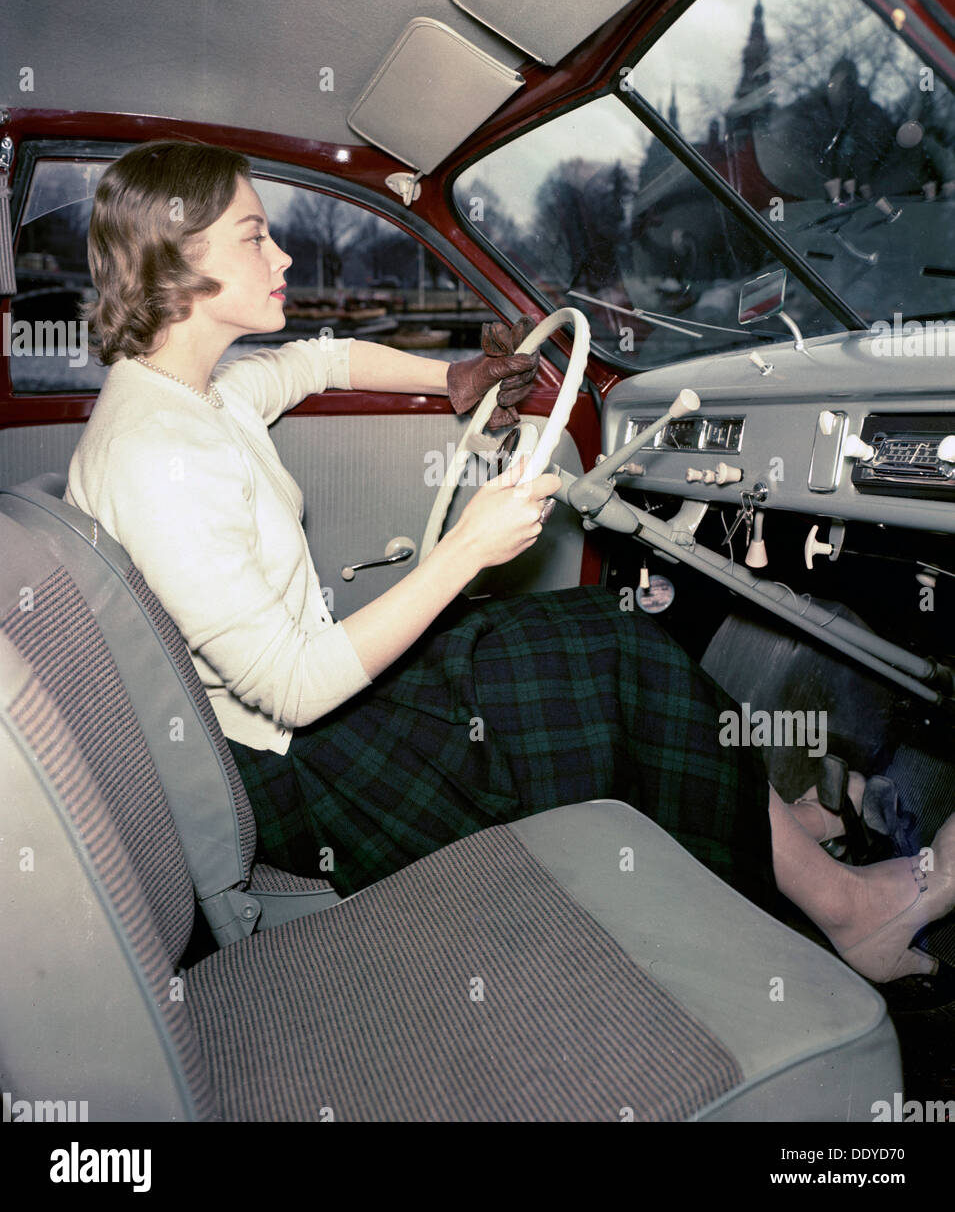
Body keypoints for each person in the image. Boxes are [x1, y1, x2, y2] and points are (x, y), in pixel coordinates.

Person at [66, 139, 954, 985]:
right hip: (303, 765)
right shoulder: (159, 456)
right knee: (610, 666)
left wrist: (454, 379)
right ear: (176, 262)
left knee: (606, 627)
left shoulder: (194, 395)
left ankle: (766, 834)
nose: (284, 257)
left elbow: (316, 360)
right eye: (255, 236)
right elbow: (291, 687)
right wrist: (462, 554)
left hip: (311, 713)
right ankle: (846, 905)